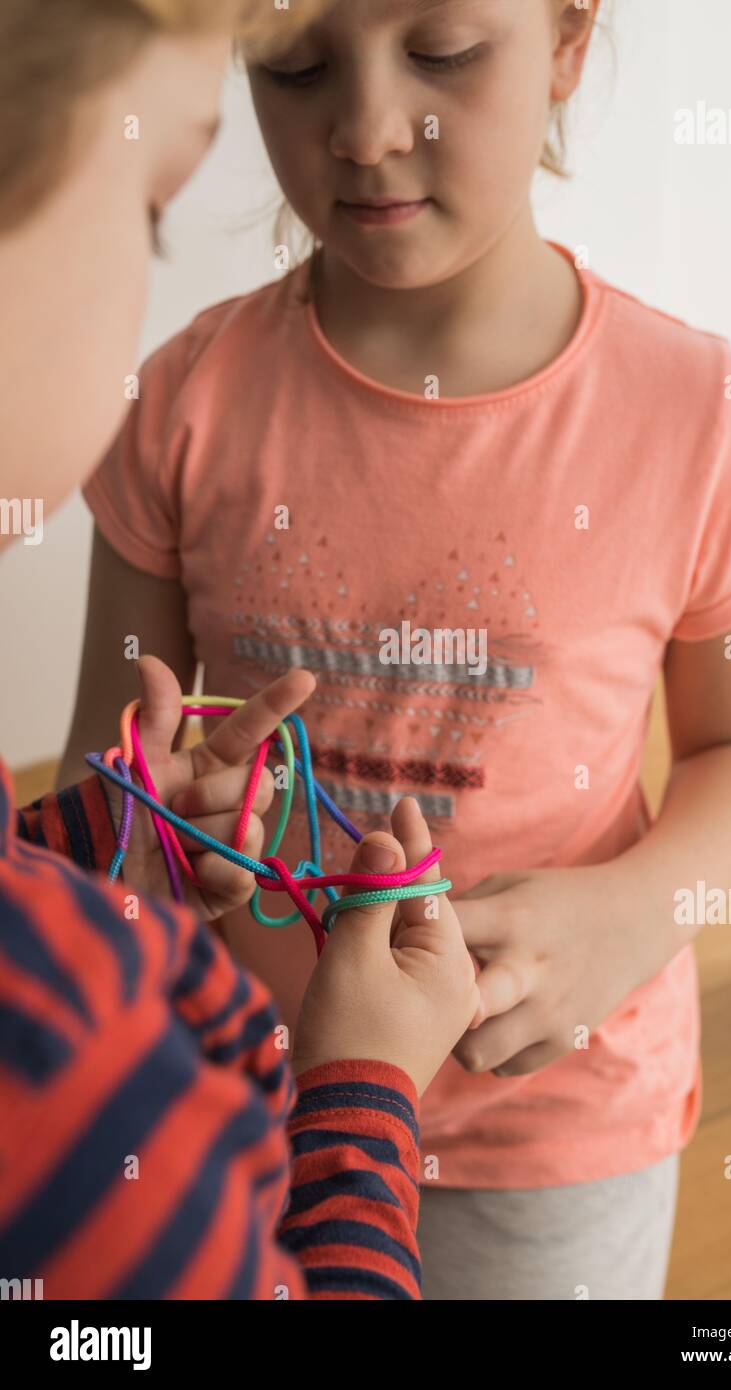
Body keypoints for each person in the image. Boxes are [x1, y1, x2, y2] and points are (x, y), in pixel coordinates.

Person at [63, 0, 731, 1299]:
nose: (360, 129)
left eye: (444, 50)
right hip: (245, 1095)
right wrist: (174, 816)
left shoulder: (693, 414)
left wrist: (640, 908)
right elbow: (110, 770)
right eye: (292, 68)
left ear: (567, 42)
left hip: (554, 1126)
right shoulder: (184, 401)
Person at [0, 0, 480, 1300]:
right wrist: (364, 1093)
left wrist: (113, 828)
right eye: (150, 203)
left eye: (442, 51)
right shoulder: (68, 1068)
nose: (372, 131)